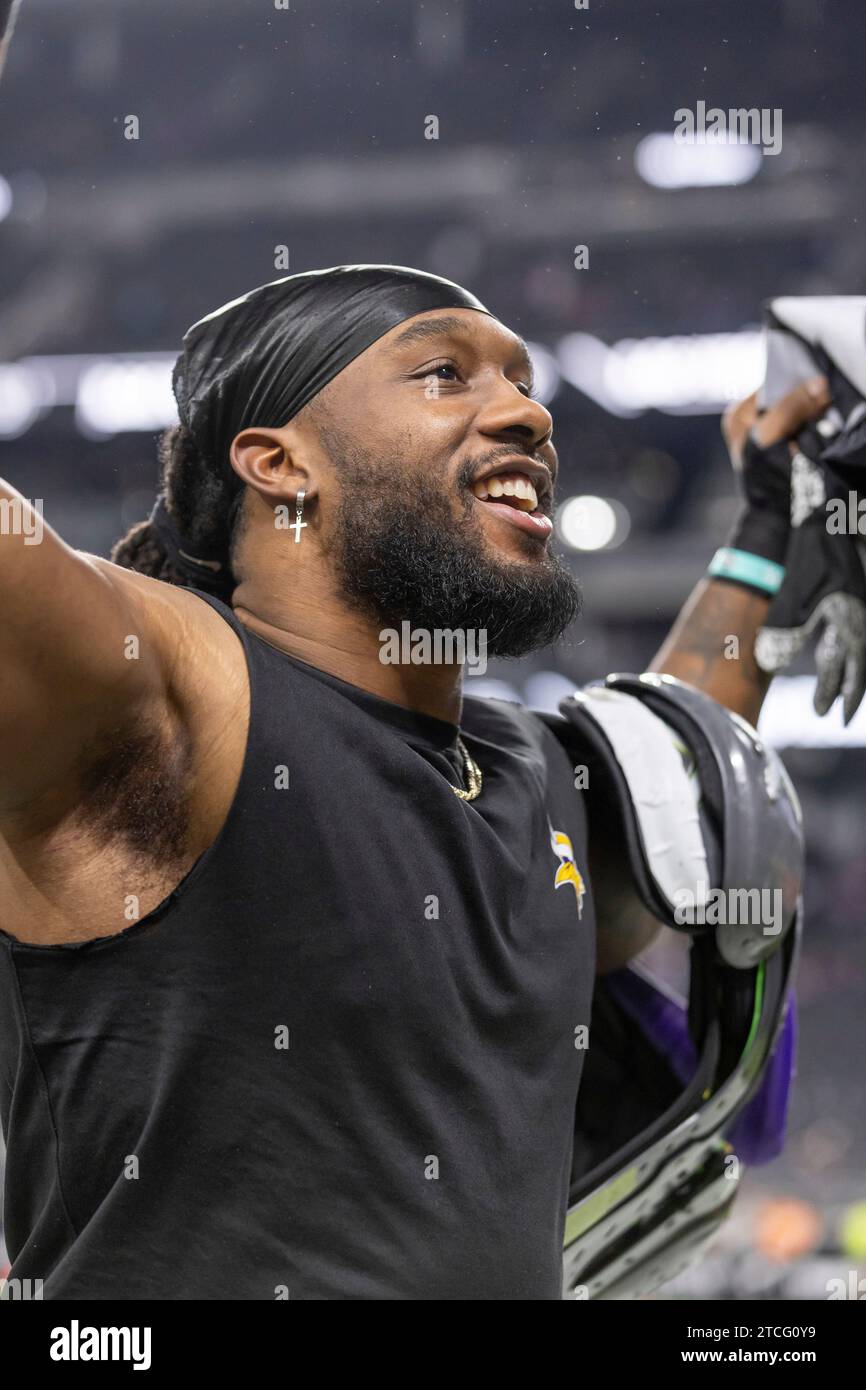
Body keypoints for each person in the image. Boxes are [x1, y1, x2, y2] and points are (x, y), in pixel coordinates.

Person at [0, 265, 829, 1300]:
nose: (528, 412)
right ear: (277, 462)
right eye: (445, 372)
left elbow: (684, 763)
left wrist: (766, 526)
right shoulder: (167, 693)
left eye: (523, 381)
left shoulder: (531, 774)